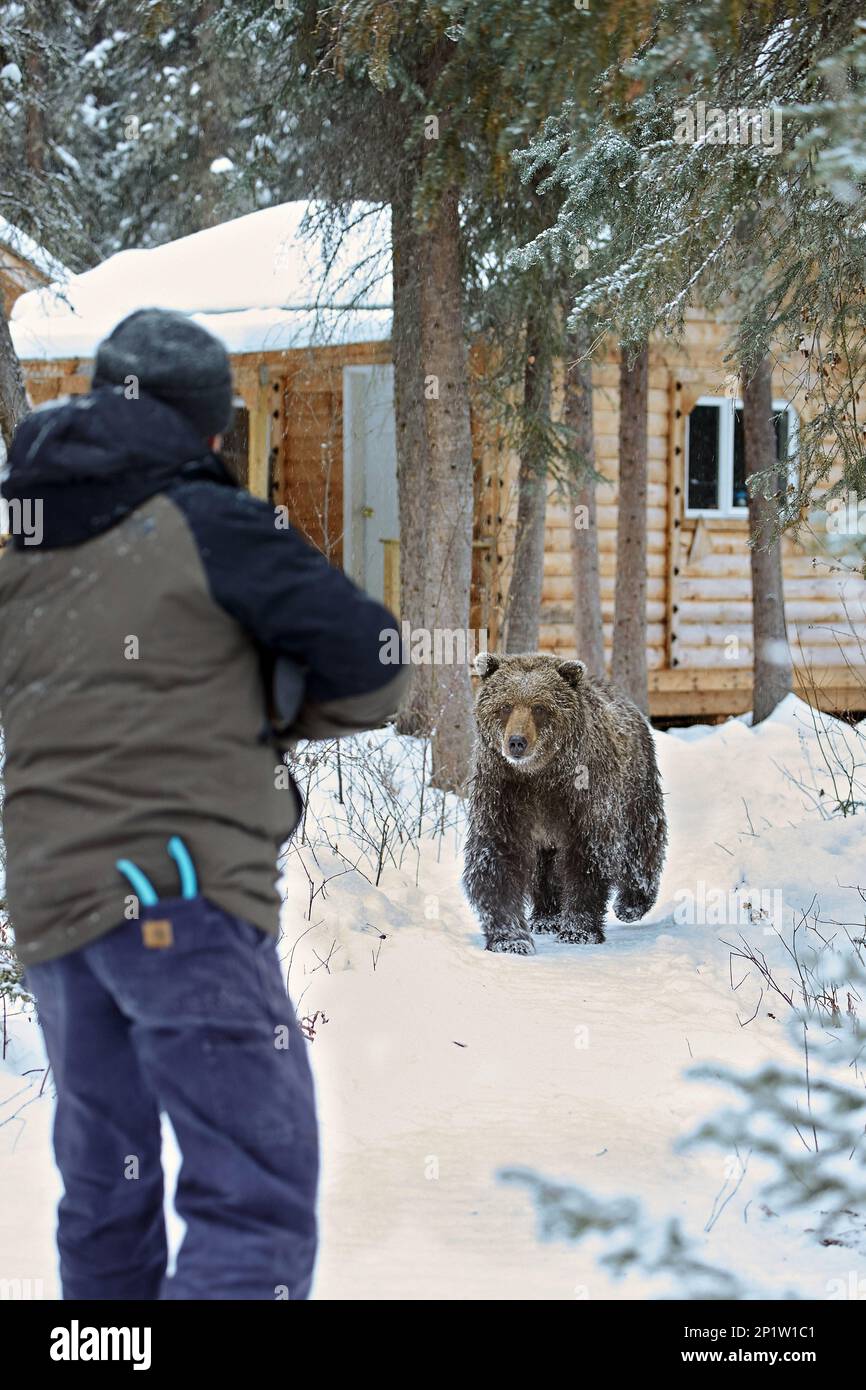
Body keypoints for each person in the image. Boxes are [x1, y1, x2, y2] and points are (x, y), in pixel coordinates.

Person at [0, 308, 407, 1300]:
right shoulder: (209, 520)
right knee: (253, 1194)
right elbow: (374, 660)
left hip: (51, 907)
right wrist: (264, 710)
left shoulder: (22, 539)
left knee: (107, 1193)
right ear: (212, 428)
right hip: (176, 896)